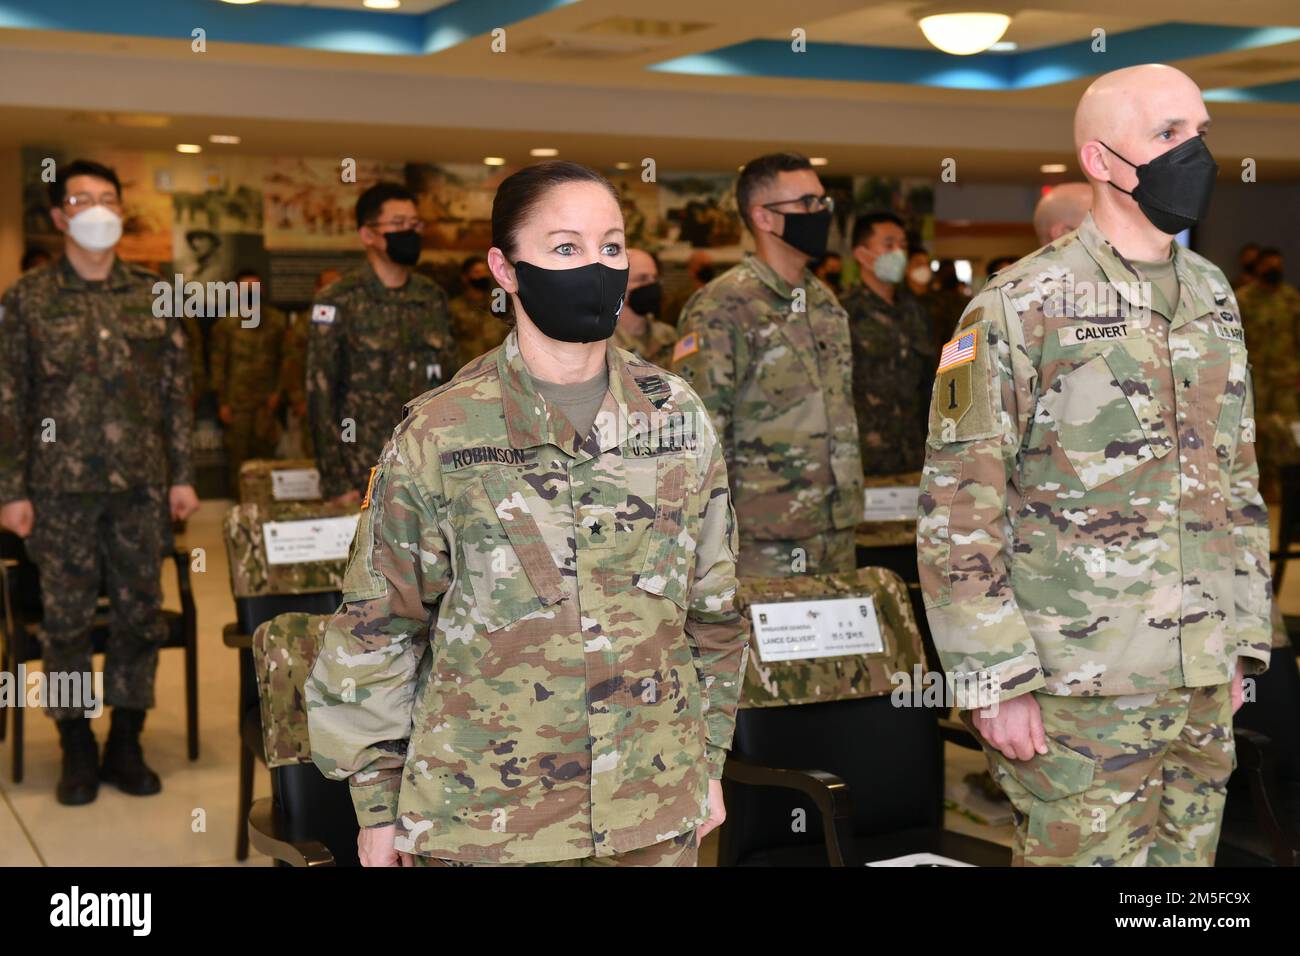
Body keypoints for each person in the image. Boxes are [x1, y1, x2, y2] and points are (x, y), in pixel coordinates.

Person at [306, 160, 747, 867]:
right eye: (565, 248)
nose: (598, 267)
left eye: (611, 246)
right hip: (484, 819)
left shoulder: (678, 416)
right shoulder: (443, 431)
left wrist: (711, 756)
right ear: (505, 270)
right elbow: (378, 627)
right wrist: (378, 808)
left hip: (653, 803)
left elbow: (715, 608)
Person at [918, 64, 1271, 866]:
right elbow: (959, 506)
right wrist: (991, 679)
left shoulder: (1214, 292)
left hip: (1204, 672)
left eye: (1201, 132)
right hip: (1078, 681)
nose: (1196, 153)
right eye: (1167, 135)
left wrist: (1244, 638)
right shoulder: (1017, 304)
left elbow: (1237, 477)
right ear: (1102, 161)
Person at [0, 159, 200, 805]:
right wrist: (11, 490)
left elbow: (177, 395)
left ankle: (127, 741)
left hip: (140, 489)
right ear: (60, 216)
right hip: (56, 493)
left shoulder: (155, 293)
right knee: (65, 624)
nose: (95, 209)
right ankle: (76, 746)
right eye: (81, 199)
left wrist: (183, 477)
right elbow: (8, 401)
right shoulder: (25, 300)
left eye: (107, 198)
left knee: (139, 618)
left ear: (121, 210)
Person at [674, 152, 863, 577]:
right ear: (763, 217)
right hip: (762, 535)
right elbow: (701, 431)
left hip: (838, 525)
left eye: (823, 203)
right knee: (760, 645)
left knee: (844, 645)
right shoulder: (723, 306)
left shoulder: (826, 303)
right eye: (807, 204)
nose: (820, 214)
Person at [306, 183, 456, 505]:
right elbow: (320, 396)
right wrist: (336, 481)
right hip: (362, 469)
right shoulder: (336, 301)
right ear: (368, 235)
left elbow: (450, 386)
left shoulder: (432, 298)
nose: (410, 232)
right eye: (399, 224)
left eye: (415, 224)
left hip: (428, 468)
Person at [840, 211, 935, 475]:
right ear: (862, 255)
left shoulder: (916, 312)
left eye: (903, 246)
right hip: (865, 458)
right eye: (889, 244)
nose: (899, 253)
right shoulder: (843, 313)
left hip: (915, 454)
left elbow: (929, 382)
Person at [209, 268, 290, 491]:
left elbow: (285, 360)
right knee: (237, 455)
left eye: (255, 287)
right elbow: (218, 364)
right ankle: (241, 503)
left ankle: (265, 502)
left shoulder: (277, 321)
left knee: (266, 453)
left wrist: (278, 393)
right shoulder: (226, 324)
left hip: (267, 403)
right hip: (237, 403)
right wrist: (222, 401)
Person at [1236, 247, 1300, 501]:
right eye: (1270, 266)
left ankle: (1287, 486)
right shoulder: (1244, 299)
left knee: (1287, 431)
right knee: (1255, 432)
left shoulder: (1291, 298)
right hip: (1255, 377)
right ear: (1259, 268)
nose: (1275, 270)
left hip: (1286, 377)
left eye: (1279, 265)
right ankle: (1258, 485)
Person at [611, 248, 677, 366]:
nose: (652, 285)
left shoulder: (668, 336)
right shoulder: (599, 344)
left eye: (655, 278)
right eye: (642, 279)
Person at [447, 254, 510, 372]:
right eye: (477, 272)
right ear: (465, 277)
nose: (483, 276)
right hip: (466, 373)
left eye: (485, 271)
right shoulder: (454, 308)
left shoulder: (498, 304)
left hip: (497, 370)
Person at [663, 249, 715, 327]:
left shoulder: (721, 295)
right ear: (691, 270)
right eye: (702, 265)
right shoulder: (680, 301)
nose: (707, 268)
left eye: (708, 265)